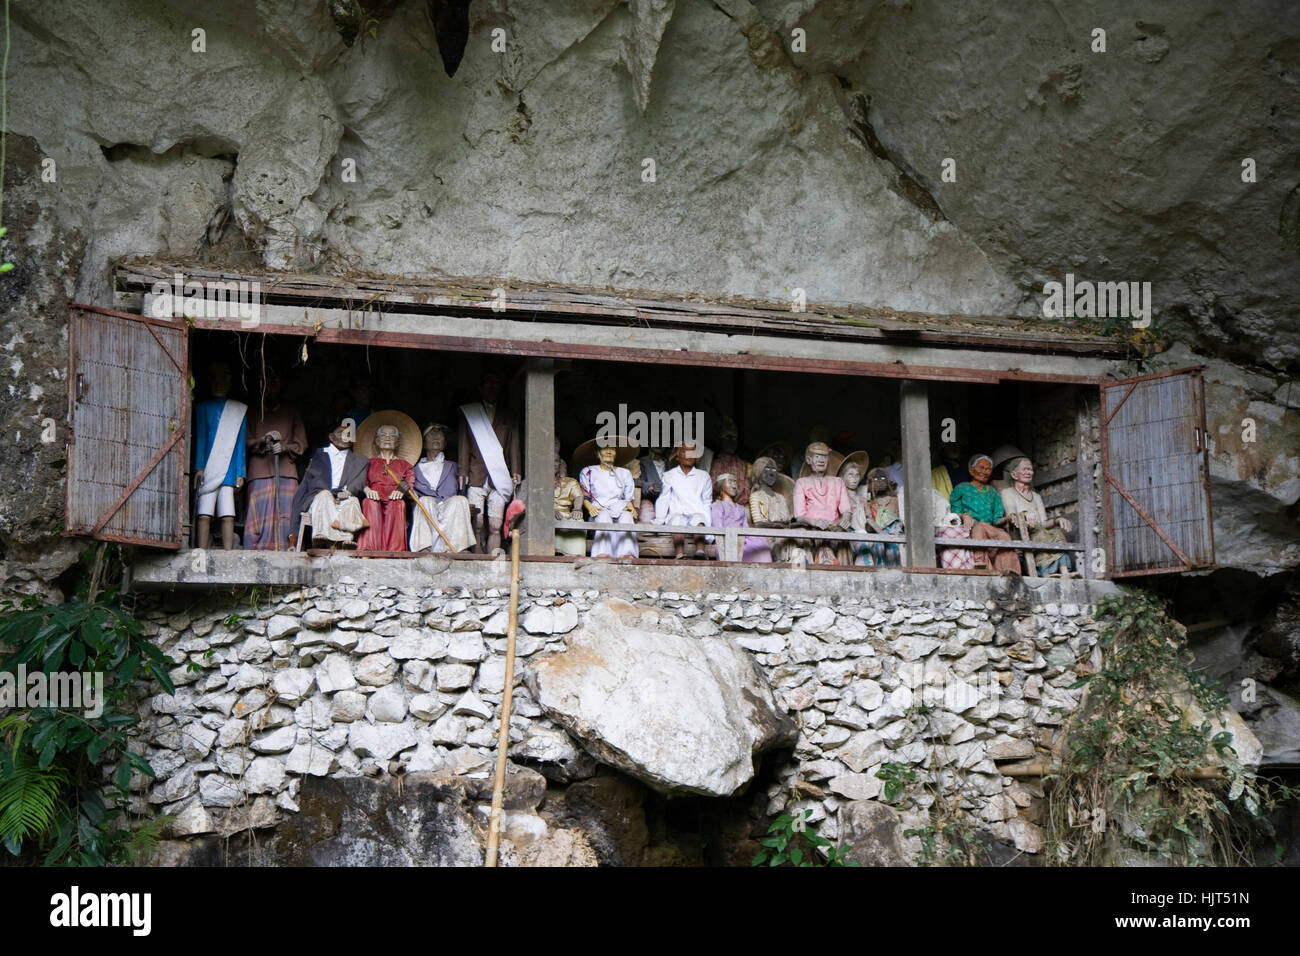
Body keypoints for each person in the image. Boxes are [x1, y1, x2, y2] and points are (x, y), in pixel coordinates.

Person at [243, 369, 307, 550]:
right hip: (260, 471)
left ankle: (289, 547)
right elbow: (243, 441)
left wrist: (285, 447)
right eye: (267, 382)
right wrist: (262, 441)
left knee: (287, 514)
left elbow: (302, 444)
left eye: (275, 382)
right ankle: (256, 549)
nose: (271, 387)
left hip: (286, 470)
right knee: (258, 516)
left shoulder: (291, 411)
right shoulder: (252, 411)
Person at [458, 371, 521, 555]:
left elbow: (514, 445)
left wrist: (516, 470)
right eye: (489, 384)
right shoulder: (469, 412)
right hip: (476, 473)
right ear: (480, 388)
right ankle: (478, 556)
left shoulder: (508, 415)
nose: (492, 388)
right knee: (476, 522)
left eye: (496, 384)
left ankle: (492, 558)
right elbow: (463, 444)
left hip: (500, 476)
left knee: (495, 523)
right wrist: (462, 470)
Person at [291, 419, 369, 548]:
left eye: (349, 433)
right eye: (341, 432)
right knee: (325, 496)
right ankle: (323, 536)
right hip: (321, 497)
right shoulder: (318, 455)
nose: (346, 436)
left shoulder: (360, 460)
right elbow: (310, 484)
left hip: (344, 497)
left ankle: (346, 540)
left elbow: (359, 482)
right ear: (331, 437)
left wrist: (348, 491)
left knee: (352, 501)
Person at [193, 362, 247, 550]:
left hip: (229, 469)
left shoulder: (238, 410)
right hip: (209, 467)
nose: (219, 383)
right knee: (204, 513)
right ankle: (201, 549)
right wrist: (199, 467)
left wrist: (241, 471)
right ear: (209, 381)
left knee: (227, 513)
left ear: (230, 381)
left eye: (223, 378)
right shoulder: (202, 408)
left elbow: (240, 445)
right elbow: (200, 439)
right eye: (215, 379)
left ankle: (228, 551)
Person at [1000, 457, 1074, 576]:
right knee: (1042, 536)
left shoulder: (1036, 496)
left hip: (1039, 532)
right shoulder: (1007, 493)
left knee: (1057, 534)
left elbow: (1043, 523)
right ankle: (1045, 572)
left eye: (1030, 470)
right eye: (1024, 469)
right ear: (1014, 474)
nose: (1029, 472)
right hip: (1021, 533)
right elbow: (1011, 516)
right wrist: (1024, 515)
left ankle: (1064, 572)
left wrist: (1057, 520)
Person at [356, 412, 420, 552]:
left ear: (397, 442)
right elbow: (361, 482)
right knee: (369, 503)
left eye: (392, 436)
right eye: (383, 435)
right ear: (377, 441)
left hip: (394, 496)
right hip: (375, 495)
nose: (387, 438)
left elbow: (409, 482)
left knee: (399, 504)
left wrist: (401, 490)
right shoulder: (369, 462)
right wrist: (367, 490)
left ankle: (395, 550)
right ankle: (369, 548)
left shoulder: (405, 465)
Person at [947, 453, 1019, 573]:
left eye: (988, 469)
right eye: (981, 468)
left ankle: (1009, 571)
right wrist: (964, 516)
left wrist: (1009, 518)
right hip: (969, 529)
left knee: (1005, 537)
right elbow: (954, 513)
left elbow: (997, 518)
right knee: (979, 527)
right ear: (971, 470)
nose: (985, 472)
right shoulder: (961, 488)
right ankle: (979, 560)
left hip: (990, 530)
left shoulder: (993, 492)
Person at [409, 423, 474, 553]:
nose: (436, 437)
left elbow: (464, 487)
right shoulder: (413, 469)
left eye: (440, 434)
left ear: (445, 443)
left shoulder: (455, 467)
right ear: (423, 442)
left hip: (448, 507)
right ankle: (424, 547)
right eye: (431, 434)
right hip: (427, 508)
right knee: (425, 500)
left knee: (460, 500)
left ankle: (459, 548)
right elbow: (411, 493)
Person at [578, 438, 639, 559]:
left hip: (619, 507)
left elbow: (628, 496)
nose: (609, 452)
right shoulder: (588, 471)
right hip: (599, 508)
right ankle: (603, 553)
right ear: (598, 453)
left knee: (627, 517)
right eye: (605, 448)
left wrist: (631, 507)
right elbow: (584, 494)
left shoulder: (625, 473)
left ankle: (627, 554)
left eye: (612, 449)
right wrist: (589, 507)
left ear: (616, 453)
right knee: (604, 515)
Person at [793, 441, 852, 565]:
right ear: (809, 460)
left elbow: (846, 509)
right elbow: (799, 516)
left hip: (834, 528)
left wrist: (846, 518)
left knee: (844, 538)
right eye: (817, 456)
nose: (821, 460)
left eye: (824, 457)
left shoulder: (838, 482)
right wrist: (815, 522)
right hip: (811, 529)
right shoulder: (801, 482)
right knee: (801, 539)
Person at [655, 442, 713, 559]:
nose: (689, 455)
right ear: (677, 455)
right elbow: (664, 498)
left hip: (697, 511)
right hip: (677, 512)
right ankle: (680, 554)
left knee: (700, 519)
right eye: (684, 451)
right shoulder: (669, 475)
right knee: (677, 520)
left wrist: (708, 523)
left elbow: (707, 502)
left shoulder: (703, 476)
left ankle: (700, 553)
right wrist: (659, 519)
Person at [711, 473, 769, 562]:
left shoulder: (741, 508)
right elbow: (718, 528)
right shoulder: (717, 505)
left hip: (743, 538)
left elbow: (746, 528)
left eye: (735, 482)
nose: (734, 486)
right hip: (728, 539)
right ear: (721, 485)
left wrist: (745, 537)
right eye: (730, 482)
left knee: (762, 541)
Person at [862, 467, 904, 566]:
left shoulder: (896, 500)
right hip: (877, 536)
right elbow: (868, 524)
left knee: (893, 549)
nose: (880, 481)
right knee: (878, 546)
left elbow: (901, 520)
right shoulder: (868, 503)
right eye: (875, 479)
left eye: (883, 478)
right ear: (869, 483)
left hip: (895, 535)